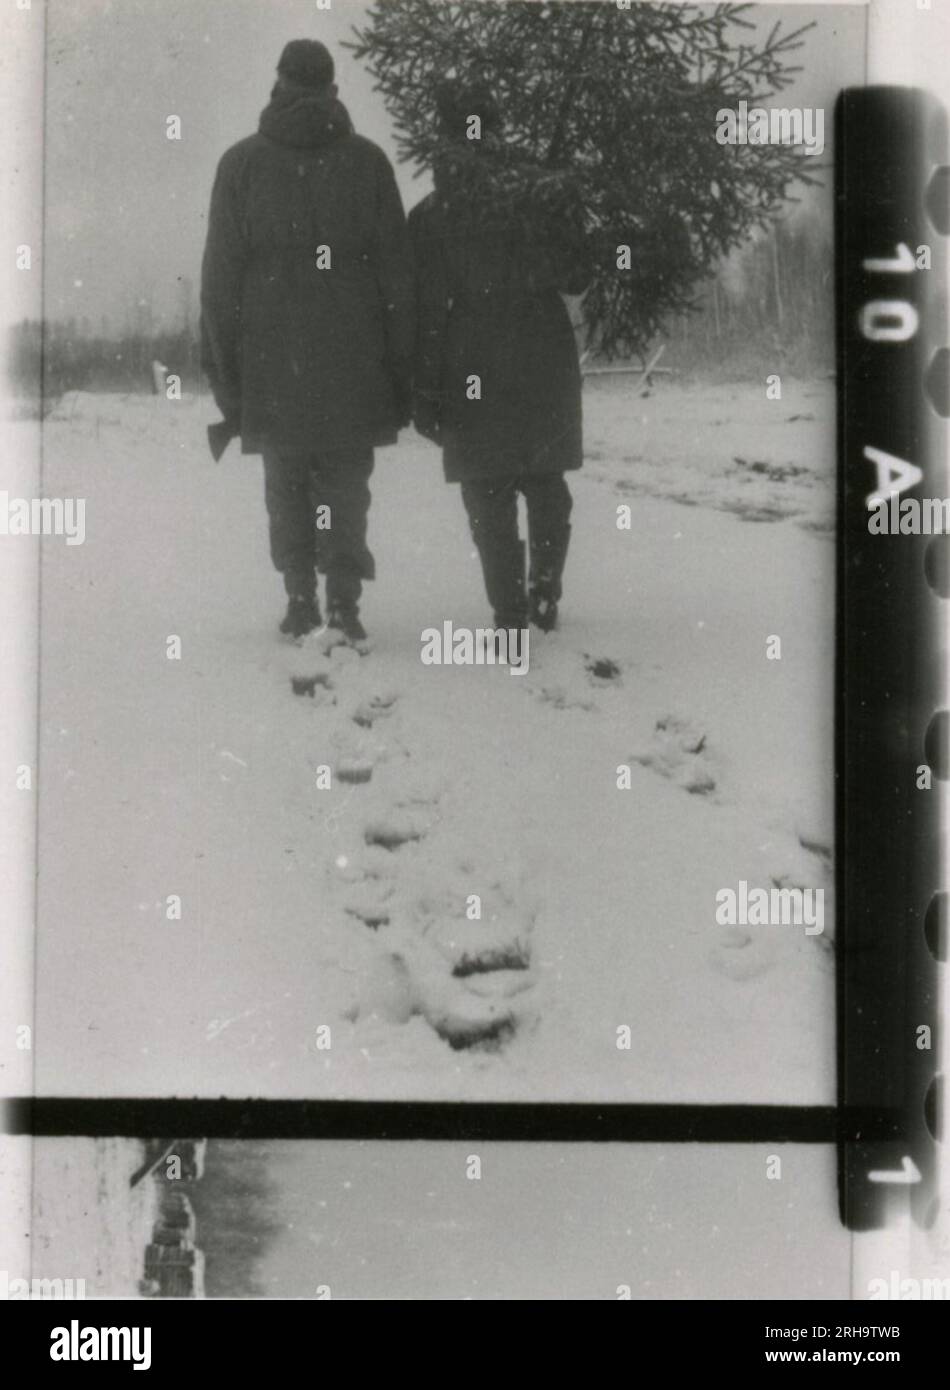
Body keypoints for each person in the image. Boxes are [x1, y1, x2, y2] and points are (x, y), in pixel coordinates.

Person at [200, 39, 414, 640]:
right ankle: (343, 604)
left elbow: (218, 286)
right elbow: (399, 283)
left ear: (279, 83)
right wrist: (401, 376)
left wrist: (228, 381)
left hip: (272, 362)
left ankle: (300, 599)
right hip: (354, 362)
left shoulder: (239, 165)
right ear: (332, 87)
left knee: (287, 482)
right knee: (345, 485)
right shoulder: (369, 164)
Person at [408, 81, 590, 633]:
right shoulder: (541, 196)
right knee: (545, 482)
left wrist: (425, 391)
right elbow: (578, 274)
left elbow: (424, 312)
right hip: (542, 354)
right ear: (498, 127)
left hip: (470, 362)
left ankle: (509, 611)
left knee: (487, 491)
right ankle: (543, 591)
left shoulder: (432, 214)